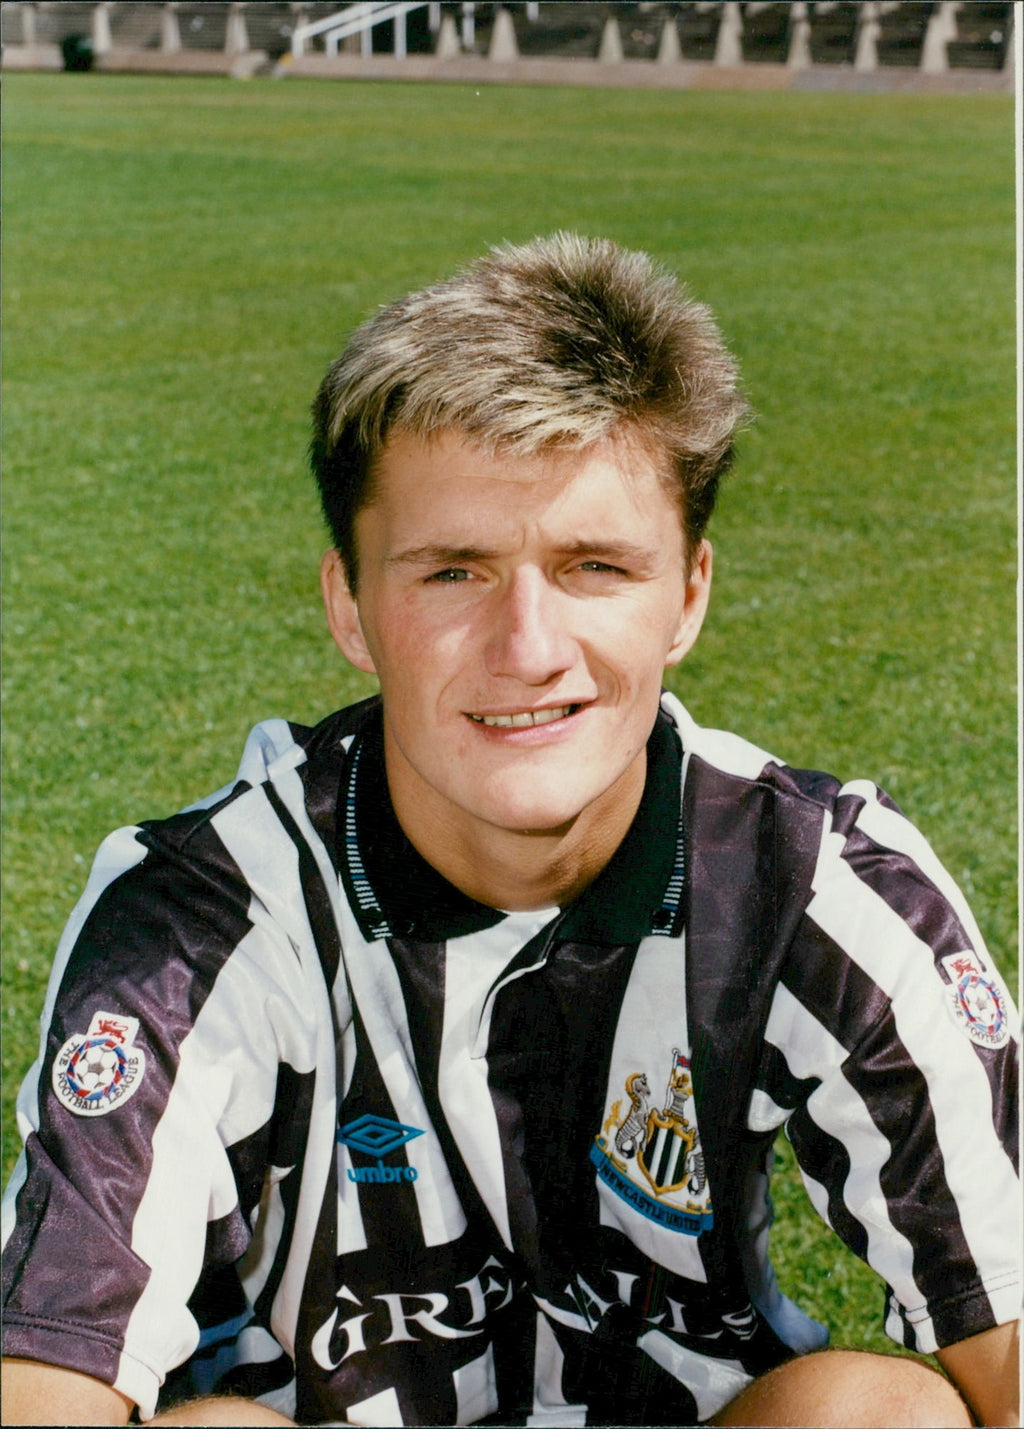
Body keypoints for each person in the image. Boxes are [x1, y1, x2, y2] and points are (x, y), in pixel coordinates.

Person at [1, 234, 1018, 1428]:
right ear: (350, 604)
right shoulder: (204, 913)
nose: (528, 647)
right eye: (452, 572)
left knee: (874, 1411)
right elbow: (44, 1383)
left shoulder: (810, 881)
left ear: (687, 594)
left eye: (594, 566)